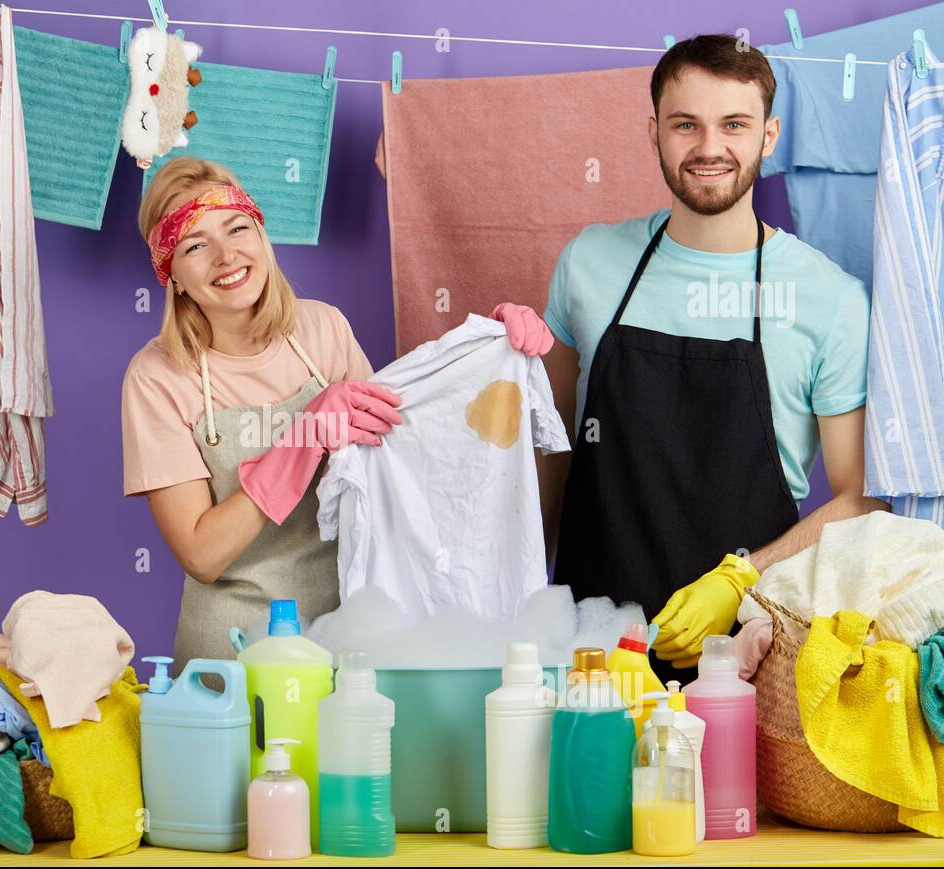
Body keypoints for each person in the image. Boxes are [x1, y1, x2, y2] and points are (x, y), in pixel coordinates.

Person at [513, 35, 886, 682]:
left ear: (769, 136)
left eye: (734, 125)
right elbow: (552, 451)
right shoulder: (589, 264)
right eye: (686, 124)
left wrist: (739, 579)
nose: (710, 148)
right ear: (653, 131)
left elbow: (860, 498)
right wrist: (518, 599)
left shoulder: (830, 299)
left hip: (745, 657)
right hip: (588, 648)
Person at [123, 159, 552, 670]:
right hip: (234, 656)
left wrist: (484, 354)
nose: (226, 254)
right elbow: (202, 554)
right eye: (195, 245)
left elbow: (401, 452)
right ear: (171, 275)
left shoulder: (323, 329)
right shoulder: (156, 377)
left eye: (238, 228)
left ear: (261, 236)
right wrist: (304, 440)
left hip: (349, 637)